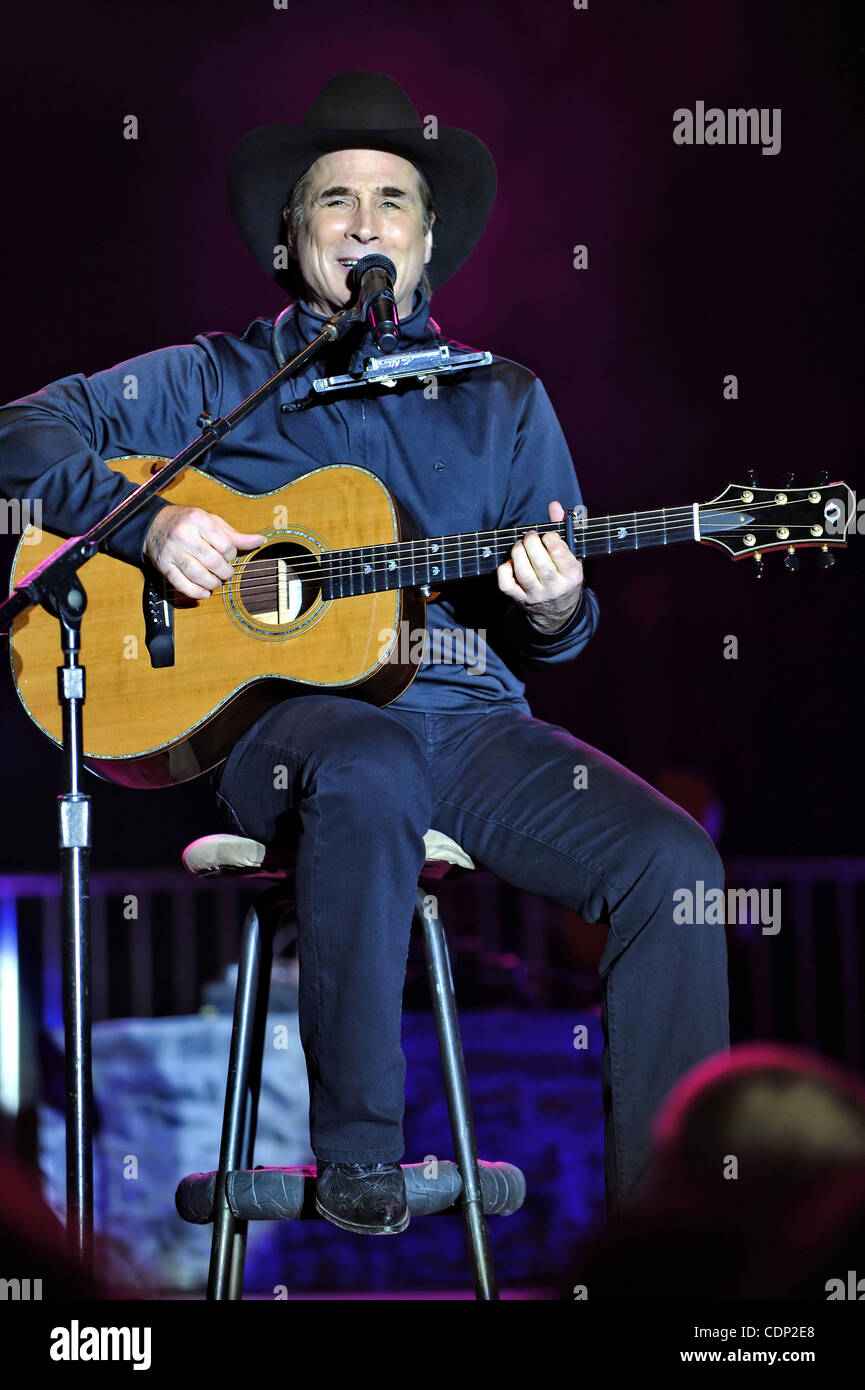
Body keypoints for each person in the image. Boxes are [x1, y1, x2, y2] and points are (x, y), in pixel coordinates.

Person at [0, 71, 729, 1236]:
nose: (363, 223)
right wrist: (157, 522)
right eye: (333, 200)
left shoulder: (500, 399)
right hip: (286, 729)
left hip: (472, 721)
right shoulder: (216, 380)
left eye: (392, 200)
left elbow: (562, 624)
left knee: (675, 870)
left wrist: (551, 608)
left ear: (427, 240)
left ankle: (677, 1233)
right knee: (368, 758)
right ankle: (358, 1161)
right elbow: (17, 433)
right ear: (293, 240)